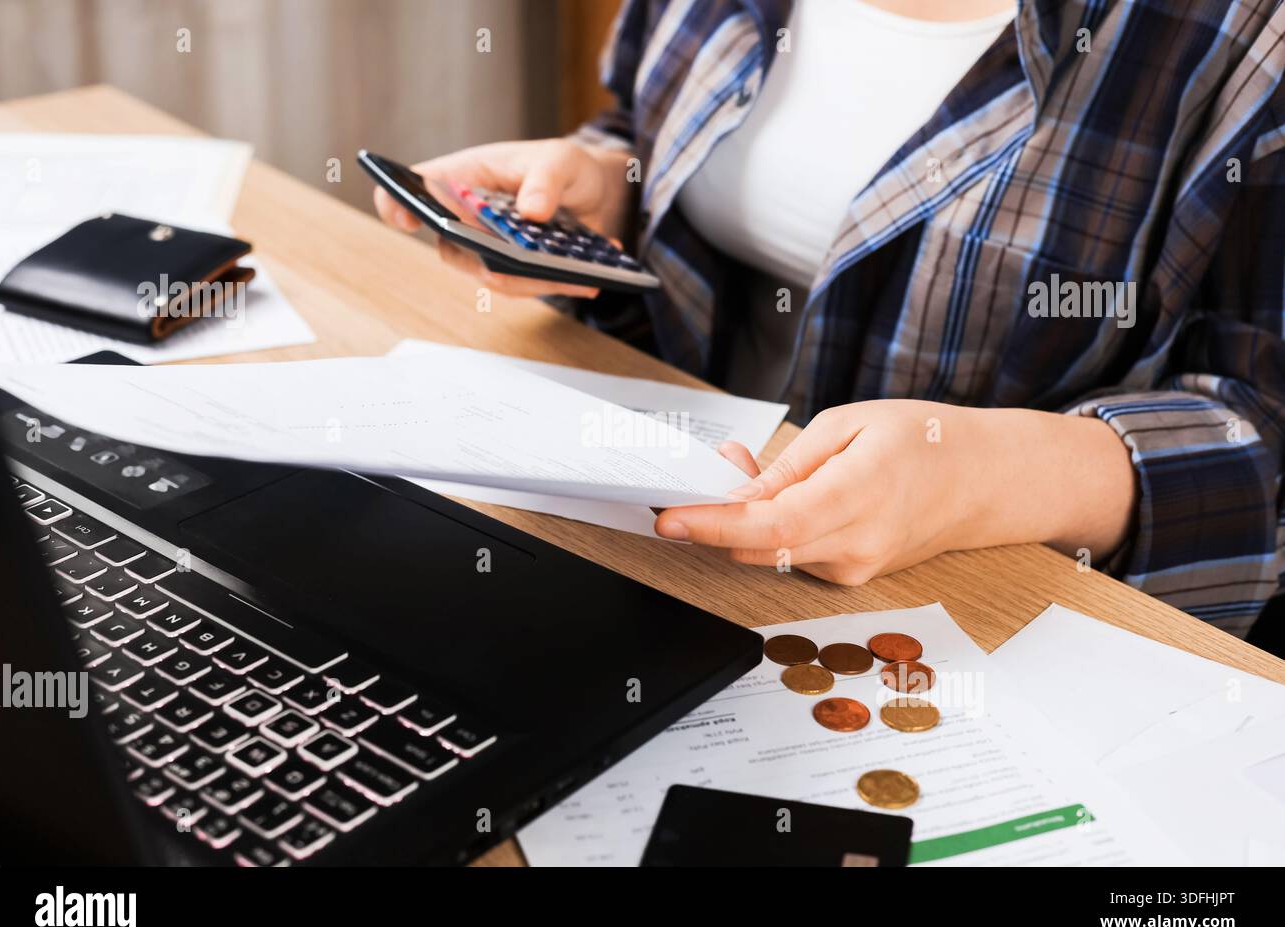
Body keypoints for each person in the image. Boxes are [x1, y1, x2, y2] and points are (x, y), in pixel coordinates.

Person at [375, 0, 1285, 644]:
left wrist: (984, 474)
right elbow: (639, 122)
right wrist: (610, 186)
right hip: (640, 530)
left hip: (965, 617)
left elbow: (1262, 431)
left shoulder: (1243, 35)